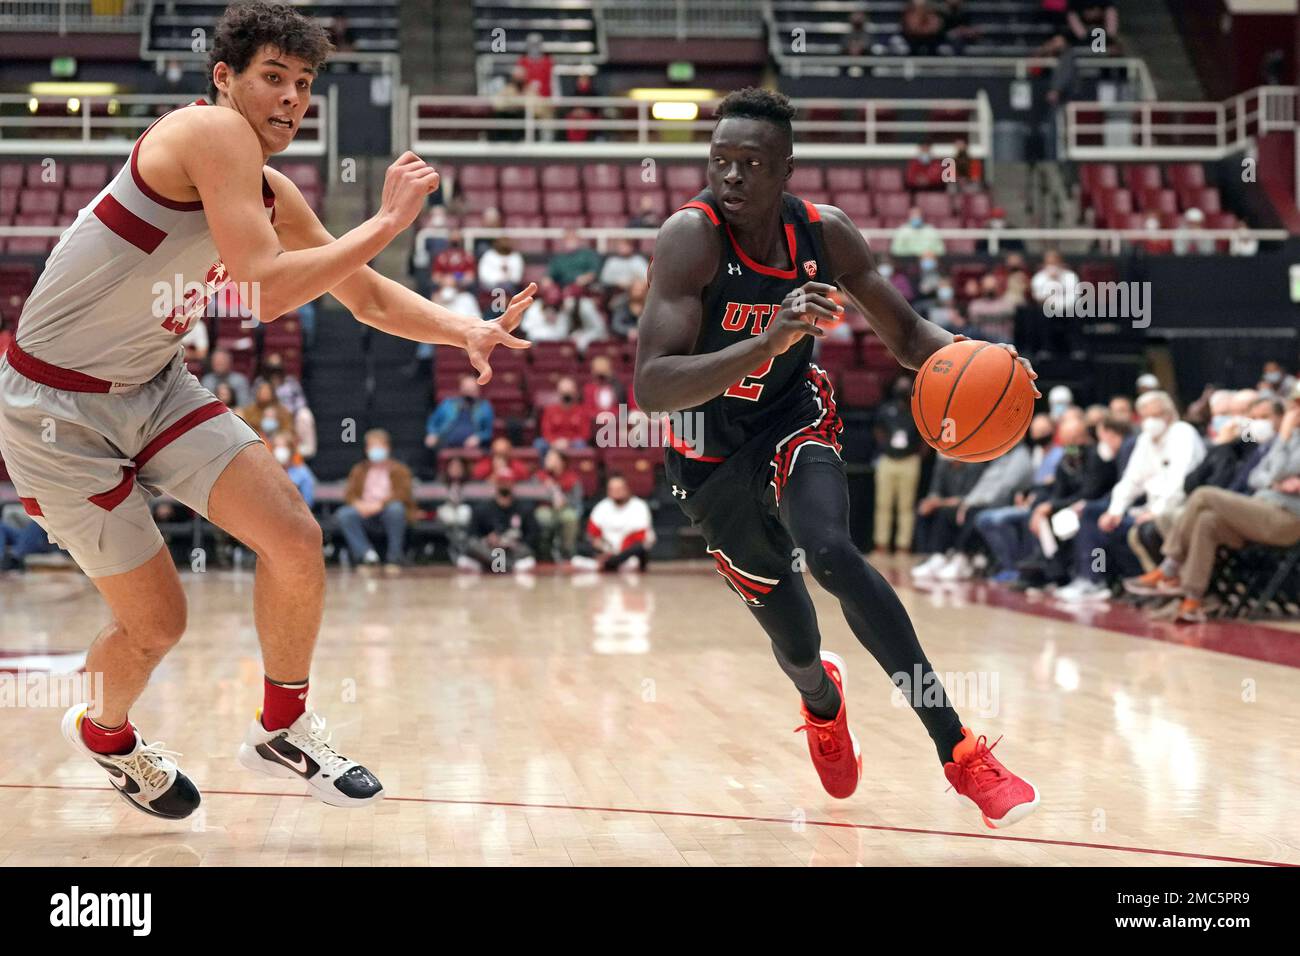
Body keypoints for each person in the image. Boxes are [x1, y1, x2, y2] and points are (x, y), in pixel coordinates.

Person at [0, 1, 534, 816]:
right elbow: (263, 290)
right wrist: (387, 220)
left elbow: (361, 297)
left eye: (304, 83)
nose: (291, 98)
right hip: (57, 410)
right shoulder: (210, 133)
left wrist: (465, 328)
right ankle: (105, 733)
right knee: (157, 626)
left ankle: (282, 727)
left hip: (151, 380)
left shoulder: (268, 185)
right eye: (272, 78)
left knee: (293, 533)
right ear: (225, 79)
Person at [633, 87, 1041, 825]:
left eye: (749, 164)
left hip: (793, 418)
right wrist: (767, 340)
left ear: (785, 170)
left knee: (832, 553)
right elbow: (652, 388)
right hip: (707, 457)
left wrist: (986, 361)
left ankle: (960, 750)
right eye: (719, 160)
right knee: (797, 644)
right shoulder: (688, 238)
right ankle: (823, 704)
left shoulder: (826, 234)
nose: (729, 177)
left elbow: (914, 341)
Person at [1125, 388, 1300, 623]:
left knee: (1204, 495)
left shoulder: (1285, 438)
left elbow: (1274, 471)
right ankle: (1193, 600)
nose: (1295, 411)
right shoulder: (1283, 440)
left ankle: (1170, 566)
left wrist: (1284, 440)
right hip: (1260, 508)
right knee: (1207, 521)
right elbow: (1256, 477)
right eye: (1294, 405)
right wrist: (1275, 480)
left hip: (1288, 518)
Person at [1056, 390, 1205, 602]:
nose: (1150, 421)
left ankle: (1138, 581)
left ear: (1170, 414)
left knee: (1135, 527)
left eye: (1156, 415)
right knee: (1092, 515)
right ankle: (1093, 578)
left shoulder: (1183, 433)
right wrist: (1114, 510)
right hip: (1146, 508)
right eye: (1145, 416)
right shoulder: (1145, 439)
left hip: (1176, 508)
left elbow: (1179, 483)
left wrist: (1154, 512)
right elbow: (1130, 480)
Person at [336, 429, 417, 571]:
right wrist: (359, 504)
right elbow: (349, 494)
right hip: (364, 511)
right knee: (344, 514)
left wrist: (380, 505)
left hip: (387, 511)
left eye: (379, 446)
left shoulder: (400, 470)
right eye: (372, 446)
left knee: (396, 509)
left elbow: (403, 494)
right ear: (366, 449)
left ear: (388, 448)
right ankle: (366, 555)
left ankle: (394, 557)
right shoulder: (359, 470)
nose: (375, 450)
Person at [872, 376, 923, 555]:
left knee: (906, 506)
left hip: (909, 461)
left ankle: (903, 546)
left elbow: (924, 436)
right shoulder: (887, 409)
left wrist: (918, 453)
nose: (902, 390)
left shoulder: (917, 411)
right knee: (883, 504)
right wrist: (884, 446)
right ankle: (881, 544)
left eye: (905, 387)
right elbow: (878, 429)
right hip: (888, 460)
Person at [571, 475, 654, 572]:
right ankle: (608, 564)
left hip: (627, 553)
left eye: (619, 488)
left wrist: (619, 553)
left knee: (637, 553)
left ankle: (606, 565)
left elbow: (640, 537)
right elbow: (593, 535)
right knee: (578, 554)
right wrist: (604, 549)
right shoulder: (601, 507)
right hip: (606, 550)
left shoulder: (639, 506)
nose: (616, 492)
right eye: (612, 489)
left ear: (626, 489)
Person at [459, 471, 536, 573]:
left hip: (512, 551)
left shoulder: (524, 508)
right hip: (489, 550)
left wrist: (514, 544)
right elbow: (472, 535)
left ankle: (497, 565)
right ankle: (507, 566)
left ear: (513, 484)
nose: (505, 485)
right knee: (469, 552)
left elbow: (533, 534)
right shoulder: (482, 508)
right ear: (496, 484)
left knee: (528, 557)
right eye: (502, 482)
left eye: (508, 482)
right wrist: (487, 540)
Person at [533, 448, 583, 560]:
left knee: (570, 517)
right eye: (547, 458)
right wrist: (548, 491)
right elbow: (532, 497)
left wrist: (564, 500)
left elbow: (576, 500)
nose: (547, 460)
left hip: (565, 508)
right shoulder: (539, 477)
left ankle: (567, 552)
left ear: (562, 462)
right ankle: (544, 552)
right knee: (543, 517)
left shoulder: (572, 478)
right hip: (544, 507)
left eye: (551, 458)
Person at [426, 373, 495, 452]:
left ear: (478, 389)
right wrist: (432, 433)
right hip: (446, 443)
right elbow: (433, 422)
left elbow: (488, 432)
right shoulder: (448, 403)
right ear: (461, 388)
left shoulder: (485, 407)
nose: (469, 391)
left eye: (472, 388)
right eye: (466, 387)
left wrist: (478, 437)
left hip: (471, 447)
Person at [271, 431, 315, 507]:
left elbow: (309, 501)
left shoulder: (303, 473)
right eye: (277, 446)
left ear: (291, 450)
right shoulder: (269, 472)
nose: (280, 450)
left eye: (283, 446)